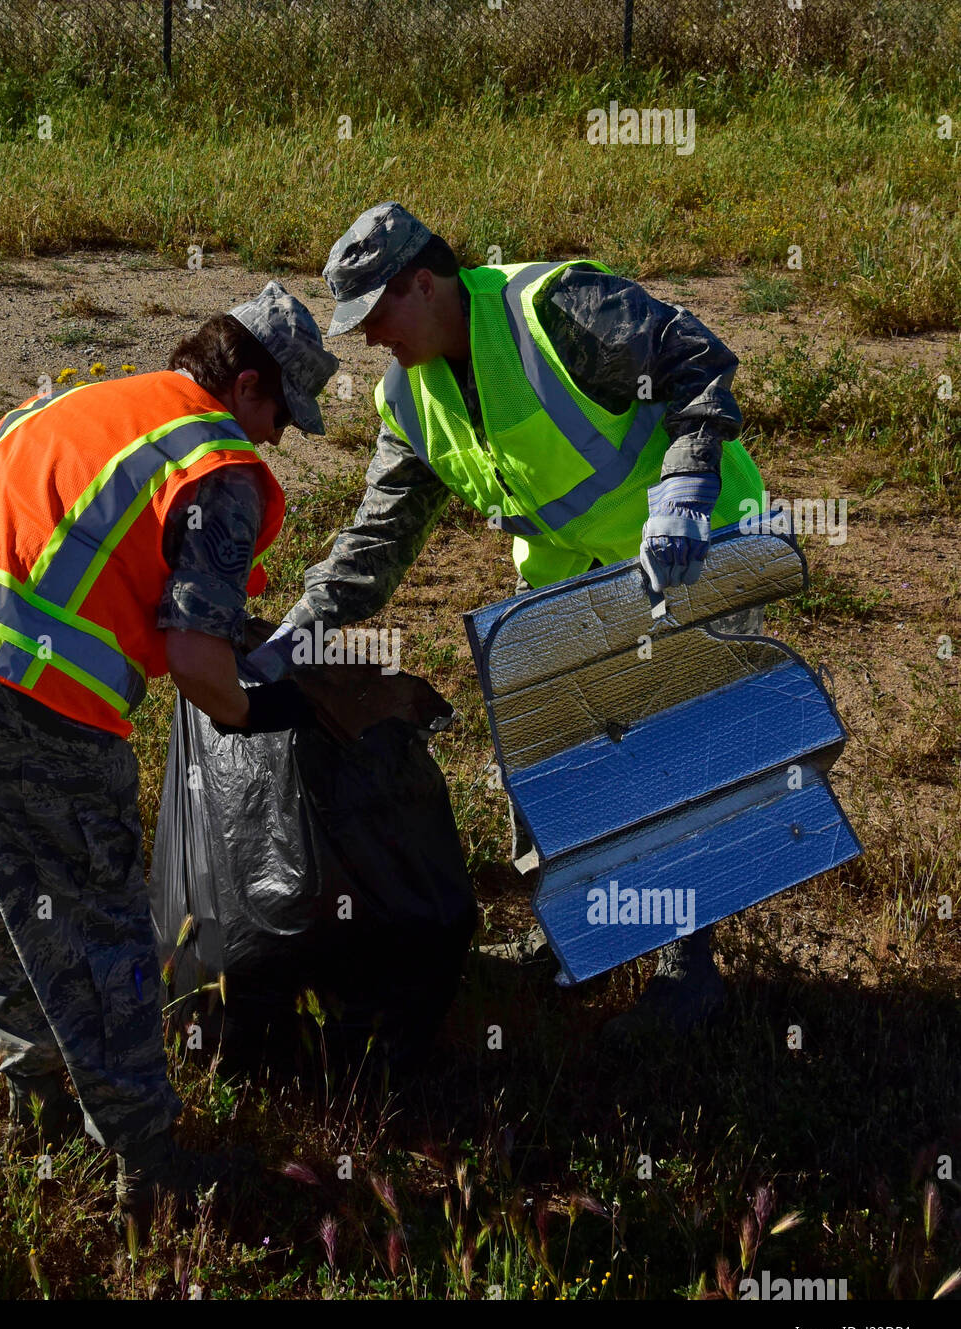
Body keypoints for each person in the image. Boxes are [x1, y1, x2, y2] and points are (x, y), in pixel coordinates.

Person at [0, 281, 336, 1227]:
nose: (277, 438)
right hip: (24, 700)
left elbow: (29, 475)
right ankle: (151, 1165)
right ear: (246, 385)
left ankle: (34, 1111)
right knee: (100, 925)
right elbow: (200, 665)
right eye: (282, 413)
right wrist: (264, 709)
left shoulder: (82, 398)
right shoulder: (219, 466)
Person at [251, 202, 767, 1037]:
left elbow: (695, 358)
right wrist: (302, 627)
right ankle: (572, 930)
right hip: (578, 580)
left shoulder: (554, 308)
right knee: (544, 745)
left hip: (690, 546)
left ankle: (687, 972)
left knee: (670, 751)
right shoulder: (412, 401)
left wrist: (686, 485)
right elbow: (379, 537)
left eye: (377, 314)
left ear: (425, 283)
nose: (372, 338)